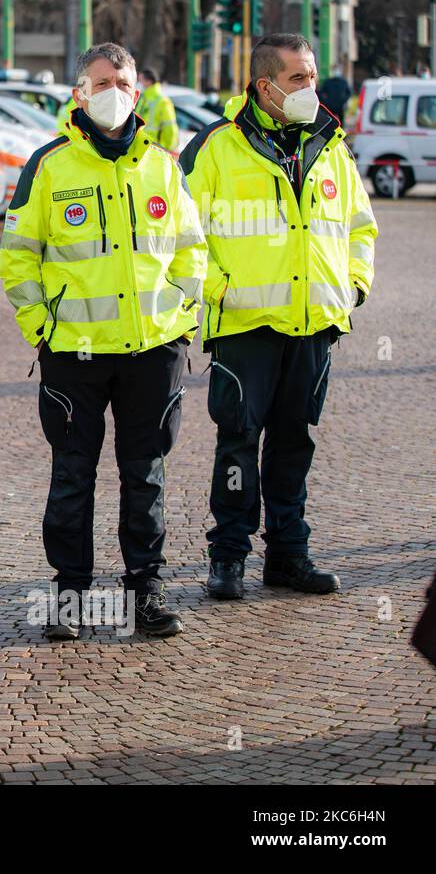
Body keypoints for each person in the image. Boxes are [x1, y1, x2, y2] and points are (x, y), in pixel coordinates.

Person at [0, 42, 207, 639]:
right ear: (78, 94)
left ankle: (145, 590)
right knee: (72, 474)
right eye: (100, 81)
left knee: (146, 474)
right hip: (75, 354)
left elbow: (193, 247)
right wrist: (41, 327)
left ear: (136, 92)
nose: (112, 91)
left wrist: (185, 312)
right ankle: (69, 594)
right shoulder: (48, 166)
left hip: (153, 349)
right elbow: (18, 260)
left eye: (121, 81)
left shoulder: (164, 166)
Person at [180, 32, 378, 600]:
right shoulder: (215, 146)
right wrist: (217, 292)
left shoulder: (330, 143)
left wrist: (354, 287)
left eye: (312, 76)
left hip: (314, 321)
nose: (310, 88)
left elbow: (359, 226)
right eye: (299, 79)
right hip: (246, 325)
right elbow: (180, 236)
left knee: (296, 441)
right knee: (238, 443)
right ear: (265, 85)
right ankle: (229, 557)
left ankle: (289, 555)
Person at [135, 68, 179, 152]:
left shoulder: (163, 101)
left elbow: (170, 128)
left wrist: (166, 150)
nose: (138, 83)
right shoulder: (144, 98)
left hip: (155, 149)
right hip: (141, 147)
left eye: (140, 80)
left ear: (149, 81)